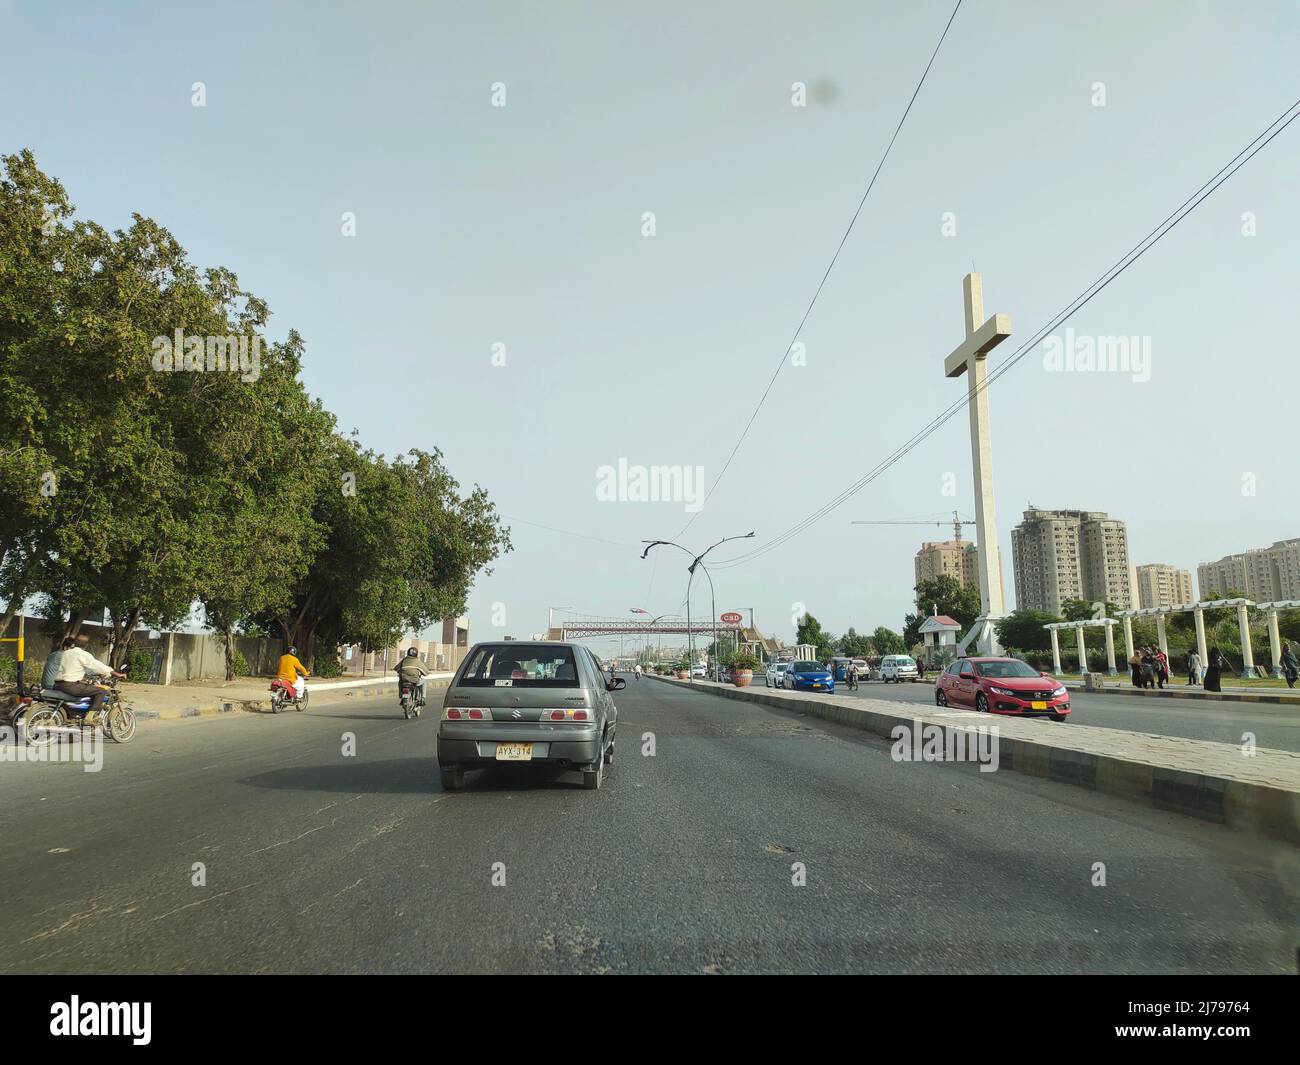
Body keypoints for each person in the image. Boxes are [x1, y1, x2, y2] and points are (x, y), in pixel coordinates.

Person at [54, 633, 125, 718]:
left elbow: (73, 668)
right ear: (86, 645)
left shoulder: (66, 653)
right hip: (71, 685)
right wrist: (116, 674)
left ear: (75, 643)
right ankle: (90, 717)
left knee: (88, 688)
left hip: (58, 684)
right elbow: (97, 665)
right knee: (101, 691)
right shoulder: (82, 654)